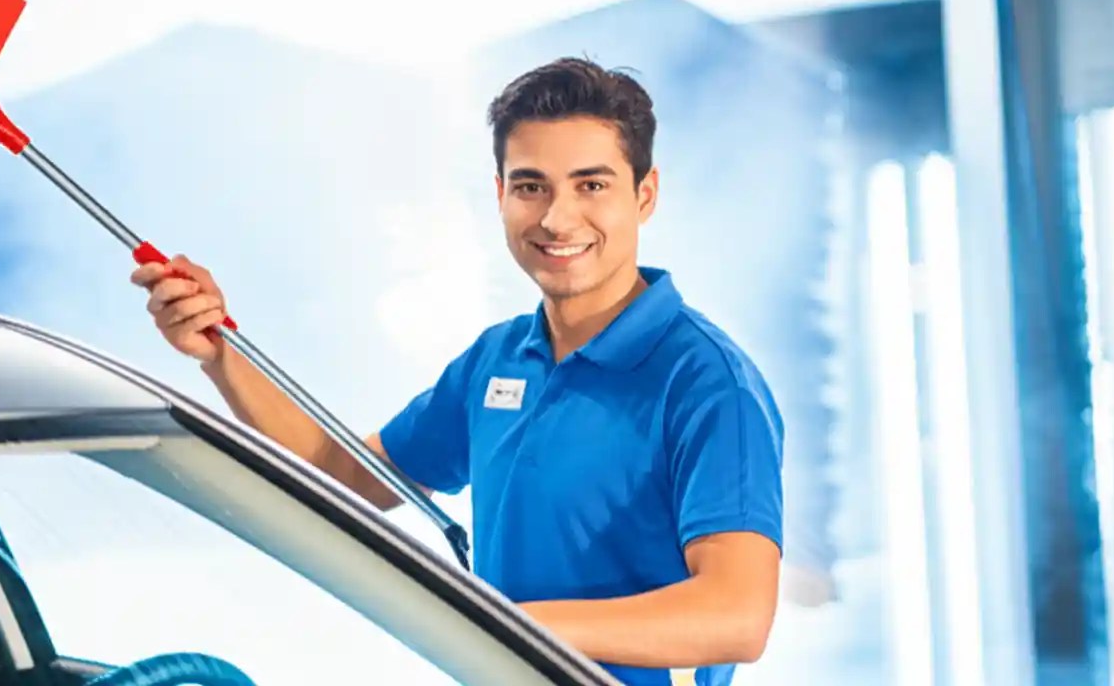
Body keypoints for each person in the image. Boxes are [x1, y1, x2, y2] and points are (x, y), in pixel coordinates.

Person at [130, 56, 784, 686]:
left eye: (591, 185)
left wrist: (503, 624)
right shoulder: (496, 362)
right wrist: (220, 354)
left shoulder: (705, 382)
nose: (556, 218)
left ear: (645, 195)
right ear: (500, 194)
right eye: (531, 186)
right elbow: (346, 476)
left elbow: (736, 615)